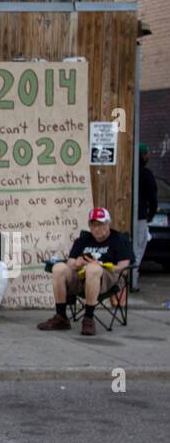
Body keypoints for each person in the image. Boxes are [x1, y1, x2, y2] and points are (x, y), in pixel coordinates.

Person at [38, 207, 132, 337]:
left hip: (107, 279)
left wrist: (104, 266)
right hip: (81, 277)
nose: (97, 228)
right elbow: (70, 262)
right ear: (89, 226)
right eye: (93, 225)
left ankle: (88, 318)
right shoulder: (83, 240)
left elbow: (124, 266)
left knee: (93, 269)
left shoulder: (119, 239)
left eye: (100, 224)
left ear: (108, 223)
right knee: (58, 268)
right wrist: (78, 263)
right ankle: (61, 317)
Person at [135, 143, 157, 292]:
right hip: (140, 216)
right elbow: (152, 197)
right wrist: (151, 215)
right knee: (138, 248)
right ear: (142, 155)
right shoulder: (145, 173)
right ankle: (132, 280)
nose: (149, 156)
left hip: (128, 215)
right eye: (147, 153)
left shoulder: (128, 172)